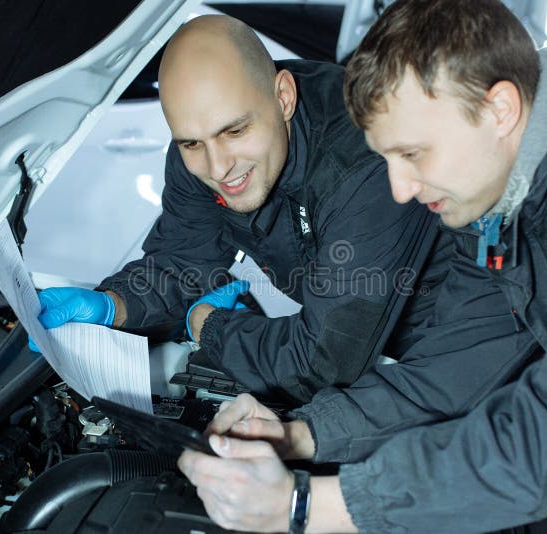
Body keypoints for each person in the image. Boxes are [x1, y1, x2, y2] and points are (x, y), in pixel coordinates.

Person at [176, 0, 547, 531]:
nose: (401, 189)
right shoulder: (498, 200)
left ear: (499, 109)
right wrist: (296, 433)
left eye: (413, 155)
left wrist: (301, 506)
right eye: (387, 158)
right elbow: (451, 371)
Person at [32, 14, 454, 403]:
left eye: (234, 131)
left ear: (283, 97)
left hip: (459, 350)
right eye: (191, 143)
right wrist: (111, 304)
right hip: (377, 350)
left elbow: (322, 362)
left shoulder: (363, 160)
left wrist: (208, 325)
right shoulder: (200, 150)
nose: (218, 167)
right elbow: (182, 261)